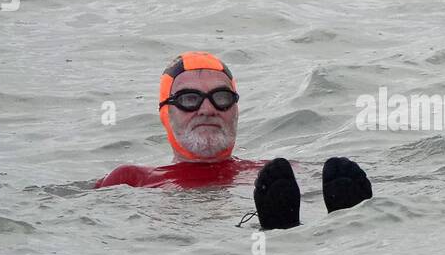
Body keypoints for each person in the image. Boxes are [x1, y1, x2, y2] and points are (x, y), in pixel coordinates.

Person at [94, 51, 372, 230]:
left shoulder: (277, 173)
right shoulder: (131, 179)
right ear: (165, 113)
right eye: (189, 99)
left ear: (235, 112)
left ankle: (342, 224)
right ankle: (281, 231)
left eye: (221, 98)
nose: (207, 109)